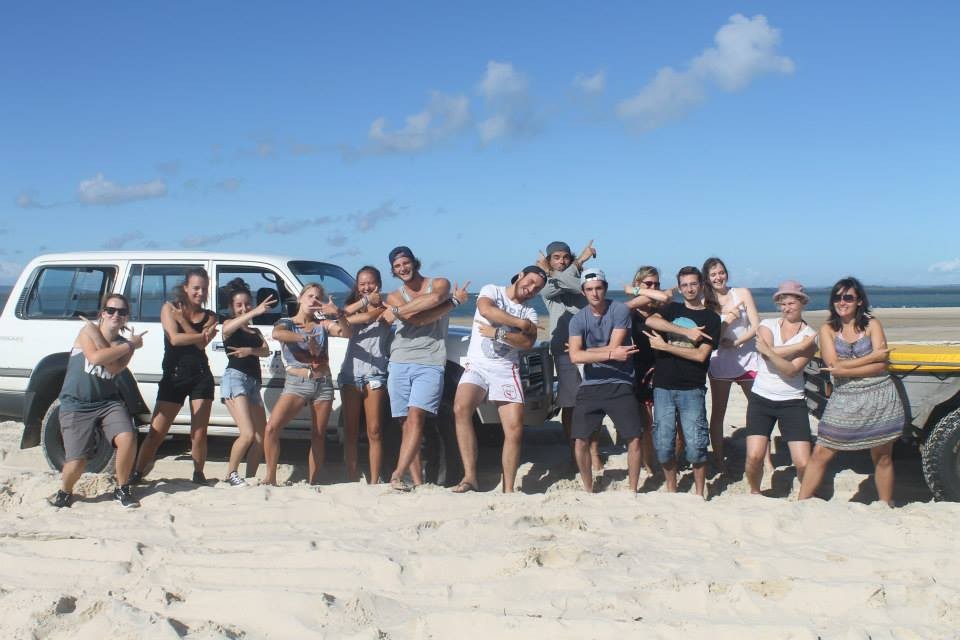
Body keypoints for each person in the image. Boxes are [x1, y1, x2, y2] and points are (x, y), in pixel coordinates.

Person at [799, 277, 905, 506]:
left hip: (879, 396)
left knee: (882, 456)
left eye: (848, 297)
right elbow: (833, 367)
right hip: (844, 398)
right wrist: (872, 357)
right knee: (821, 451)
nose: (842, 302)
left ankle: (885, 505)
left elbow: (881, 366)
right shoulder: (828, 329)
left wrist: (847, 366)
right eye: (837, 297)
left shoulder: (872, 324)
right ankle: (801, 503)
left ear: (859, 301)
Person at [451, 265, 546, 494]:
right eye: (530, 282)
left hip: (506, 370)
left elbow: (526, 343)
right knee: (461, 408)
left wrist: (500, 333)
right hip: (478, 366)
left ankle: (509, 488)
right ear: (520, 275)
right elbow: (486, 311)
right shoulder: (492, 290)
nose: (531, 289)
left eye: (537, 288)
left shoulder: (530, 312)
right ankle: (470, 477)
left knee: (514, 430)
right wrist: (521, 325)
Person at [380, 246, 468, 491]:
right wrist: (452, 303)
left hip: (430, 360)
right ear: (393, 271)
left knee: (417, 417)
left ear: (414, 263)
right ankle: (417, 482)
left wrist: (396, 311)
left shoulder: (439, 283)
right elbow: (417, 318)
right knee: (405, 423)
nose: (402, 269)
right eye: (397, 266)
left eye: (405, 263)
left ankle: (397, 474)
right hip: (399, 359)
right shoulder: (393, 295)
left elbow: (432, 300)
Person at [50, 294, 146, 508]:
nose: (116, 315)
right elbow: (96, 358)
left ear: (126, 317)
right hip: (76, 403)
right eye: (111, 310)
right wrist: (132, 345)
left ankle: (122, 488)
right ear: (103, 313)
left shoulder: (122, 343)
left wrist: (126, 346)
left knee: (128, 438)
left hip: (107, 402)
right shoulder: (87, 332)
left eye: (122, 312)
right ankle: (65, 492)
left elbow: (113, 368)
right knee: (77, 462)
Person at [134, 267, 218, 485]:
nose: (200, 292)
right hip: (174, 376)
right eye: (196, 288)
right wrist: (196, 334)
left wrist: (183, 322)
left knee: (198, 433)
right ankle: (137, 472)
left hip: (201, 376)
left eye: (204, 288)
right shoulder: (168, 307)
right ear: (185, 288)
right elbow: (174, 340)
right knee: (156, 432)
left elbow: (200, 344)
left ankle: (198, 474)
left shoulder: (211, 317)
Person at [643, 266, 721, 498]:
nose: (689, 289)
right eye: (684, 285)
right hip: (663, 387)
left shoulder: (711, 318)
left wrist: (665, 346)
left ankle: (699, 493)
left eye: (693, 284)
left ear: (702, 286)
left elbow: (700, 355)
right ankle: (671, 489)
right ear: (679, 287)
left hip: (692, 387)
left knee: (696, 446)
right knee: (664, 445)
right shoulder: (671, 308)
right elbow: (651, 321)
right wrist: (686, 333)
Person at [262, 283, 350, 486]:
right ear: (300, 298)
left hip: (323, 383)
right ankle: (270, 477)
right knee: (272, 429)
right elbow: (277, 334)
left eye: (318, 298)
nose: (313, 301)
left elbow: (345, 333)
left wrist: (339, 314)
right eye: (310, 296)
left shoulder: (323, 324)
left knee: (318, 435)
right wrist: (304, 337)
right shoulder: (287, 322)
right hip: (297, 383)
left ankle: (314, 480)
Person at [567, 268, 643, 493]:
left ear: (605, 289)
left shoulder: (619, 309)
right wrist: (610, 355)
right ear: (583, 292)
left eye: (598, 288)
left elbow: (611, 345)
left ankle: (633, 490)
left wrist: (588, 352)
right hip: (591, 384)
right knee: (580, 440)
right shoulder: (578, 319)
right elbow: (575, 356)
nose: (595, 293)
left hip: (620, 381)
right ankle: (589, 488)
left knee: (634, 438)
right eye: (589, 289)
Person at [744, 281, 818, 495]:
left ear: (802, 303)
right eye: (783, 304)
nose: (787, 308)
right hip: (761, 399)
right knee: (754, 456)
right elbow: (764, 352)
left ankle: (805, 497)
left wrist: (771, 351)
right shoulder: (768, 325)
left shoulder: (810, 335)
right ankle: (755, 491)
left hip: (792, 401)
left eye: (791, 303)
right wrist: (798, 346)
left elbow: (791, 370)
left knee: (803, 462)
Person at [537, 239, 604, 472]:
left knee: (593, 401)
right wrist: (580, 260)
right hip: (563, 349)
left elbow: (581, 287)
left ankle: (593, 451)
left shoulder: (576, 277)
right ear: (548, 260)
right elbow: (558, 288)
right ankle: (574, 451)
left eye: (565, 257)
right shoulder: (545, 282)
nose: (562, 261)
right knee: (570, 403)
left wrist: (573, 268)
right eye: (556, 258)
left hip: (591, 347)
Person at [702, 257, 761, 470]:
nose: (718, 277)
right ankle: (718, 459)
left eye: (721, 272)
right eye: (713, 274)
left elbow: (756, 326)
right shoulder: (705, 303)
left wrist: (737, 342)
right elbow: (711, 338)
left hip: (748, 360)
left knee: (758, 409)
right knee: (718, 412)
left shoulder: (742, 293)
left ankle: (766, 460)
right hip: (720, 363)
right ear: (707, 279)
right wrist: (728, 319)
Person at [219, 279, 275, 486]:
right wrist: (253, 313)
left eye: (247, 304)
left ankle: (249, 477)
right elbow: (226, 330)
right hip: (236, 380)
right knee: (247, 433)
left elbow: (266, 350)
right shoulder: (229, 326)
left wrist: (250, 351)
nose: (244, 308)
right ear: (231, 308)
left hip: (253, 383)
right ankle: (231, 474)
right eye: (239, 305)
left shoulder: (255, 332)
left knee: (261, 437)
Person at [339, 266, 390, 483]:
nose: (366, 287)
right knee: (350, 431)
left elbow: (371, 316)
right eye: (362, 284)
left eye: (370, 283)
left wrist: (368, 306)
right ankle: (351, 478)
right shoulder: (352, 308)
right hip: (351, 373)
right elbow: (343, 316)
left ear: (379, 283)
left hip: (375, 374)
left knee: (375, 430)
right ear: (357, 287)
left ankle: (374, 480)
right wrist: (364, 302)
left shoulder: (387, 307)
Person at [624, 266, 674, 475]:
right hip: (638, 369)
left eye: (656, 284)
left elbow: (666, 295)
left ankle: (671, 461)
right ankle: (648, 463)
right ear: (638, 284)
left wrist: (634, 290)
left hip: (663, 367)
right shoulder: (628, 312)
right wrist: (635, 293)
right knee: (647, 422)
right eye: (648, 284)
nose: (653, 288)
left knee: (670, 420)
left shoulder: (663, 309)